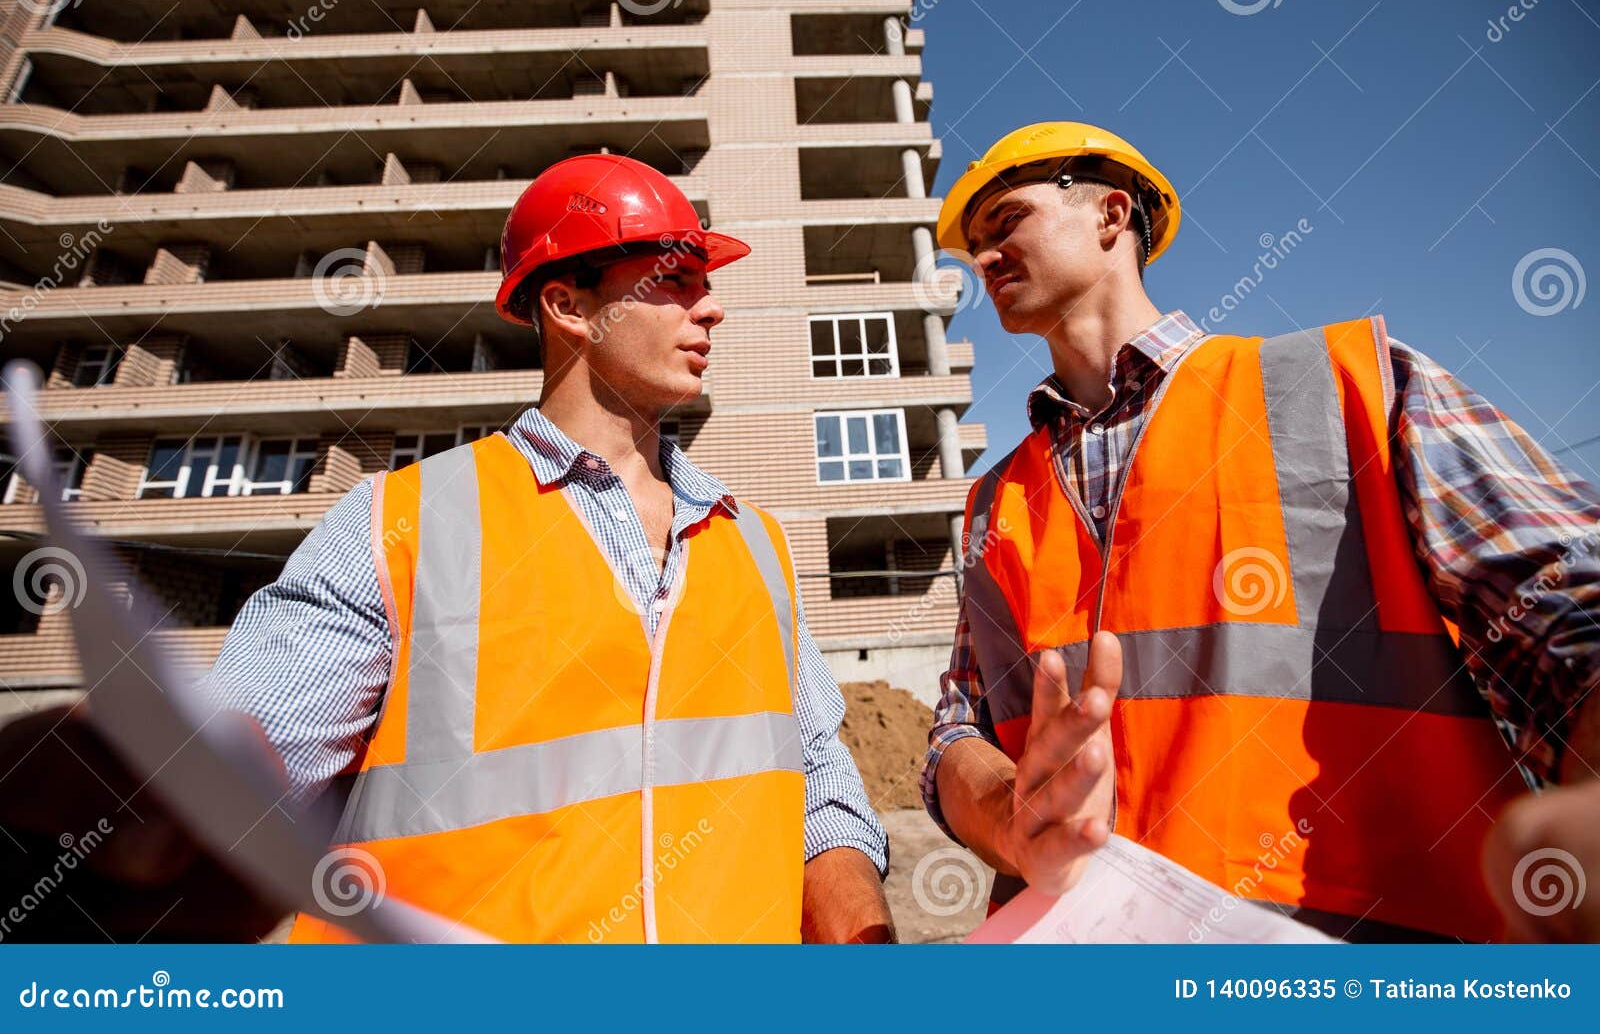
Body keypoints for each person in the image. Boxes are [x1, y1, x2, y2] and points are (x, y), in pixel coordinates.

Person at [0, 154, 894, 944]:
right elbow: (245, 748)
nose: (713, 307)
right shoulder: (404, 521)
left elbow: (817, 786)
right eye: (673, 279)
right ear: (567, 305)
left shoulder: (755, 539)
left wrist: (862, 942)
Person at [921, 121, 1600, 942]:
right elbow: (959, 731)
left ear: (1109, 214)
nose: (984, 258)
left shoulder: (1340, 383)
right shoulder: (997, 499)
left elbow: (1563, 605)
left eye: (1006, 223)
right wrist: (1007, 819)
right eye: (974, 247)